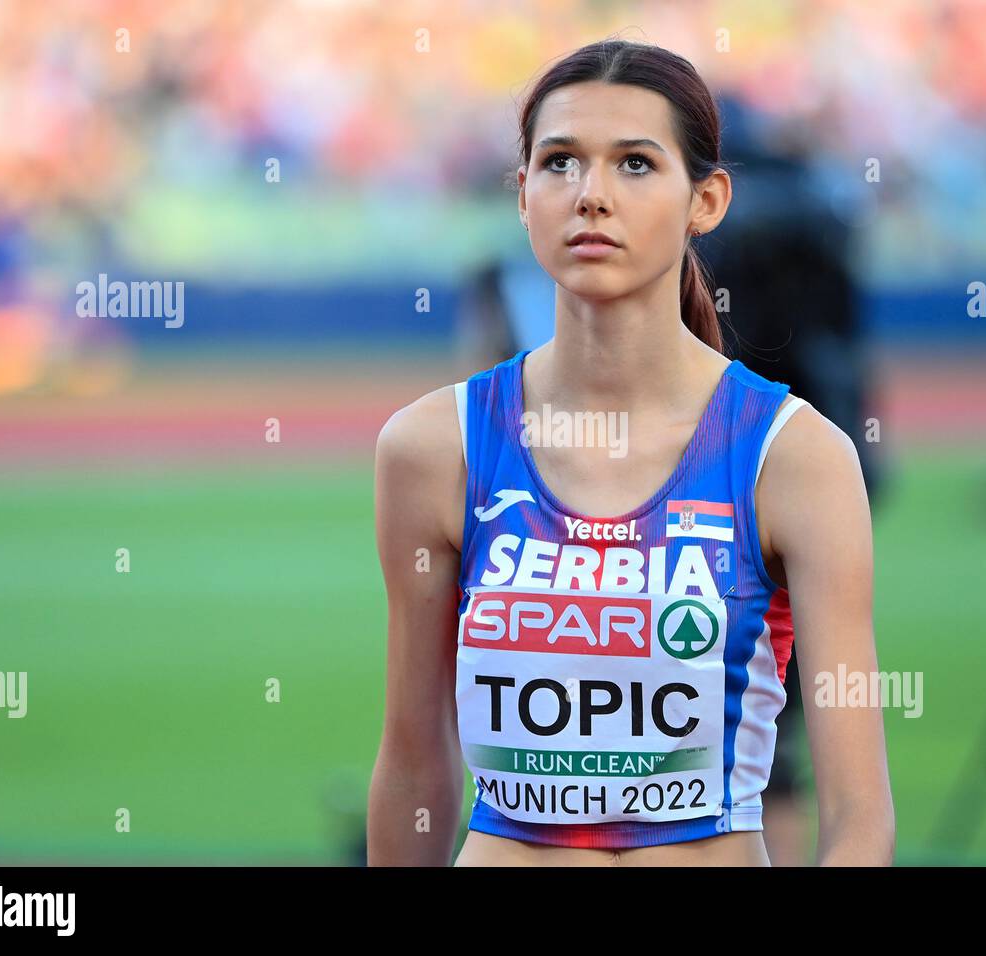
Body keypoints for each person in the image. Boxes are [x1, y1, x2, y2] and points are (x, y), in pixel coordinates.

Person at [368, 38, 893, 866]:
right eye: (561, 163)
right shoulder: (433, 448)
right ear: (523, 194)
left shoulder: (794, 458)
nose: (592, 196)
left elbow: (861, 819)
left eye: (637, 164)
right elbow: (412, 767)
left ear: (707, 199)